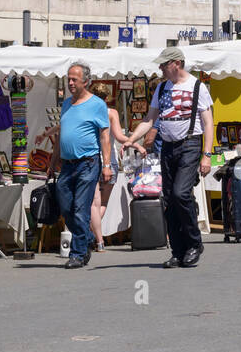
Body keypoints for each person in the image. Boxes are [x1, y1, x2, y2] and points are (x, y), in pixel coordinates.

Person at [126, 47, 214, 268]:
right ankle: (178, 250)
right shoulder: (162, 88)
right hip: (167, 146)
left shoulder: (197, 86)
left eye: (164, 64)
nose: (161, 68)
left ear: (177, 63)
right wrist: (132, 138)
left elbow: (208, 122)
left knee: (180, 193)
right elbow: (149, 118)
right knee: (169, 199)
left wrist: (207, 155)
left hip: (190, 144)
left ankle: (195, 243)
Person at [47, 62, 112, 269]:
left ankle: (77, 253)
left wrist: (107, 164)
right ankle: (88, 237)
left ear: (86, 81)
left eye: (75, 79)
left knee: (80, 209)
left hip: (88, 162)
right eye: (69, 79)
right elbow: (61, 136)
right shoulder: (66, 104)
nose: (71, 83)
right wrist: (53, 159)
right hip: (67, 165)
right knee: (66, 207)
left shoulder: (97, 105)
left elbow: (105, 137)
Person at [89, 106, 144, 251]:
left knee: (92, 203)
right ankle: (92, 235)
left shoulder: (87, 109)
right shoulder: (111, 113)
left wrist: (46, 133)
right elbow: (119, 137)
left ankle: (93, 235)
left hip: (91, 161)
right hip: (109, 161)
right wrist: (136, 144)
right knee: (103, 202)